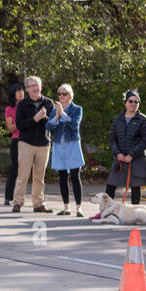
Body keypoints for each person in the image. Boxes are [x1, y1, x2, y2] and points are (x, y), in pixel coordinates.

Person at [12, 76, 54, 213]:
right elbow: (19, 124)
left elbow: (52, 124)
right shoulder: (23, 104)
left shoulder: (49, 103)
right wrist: (35, 119)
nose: (35, 88)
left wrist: (44, 117)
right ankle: (17, 202)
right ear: (27, 89)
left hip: (43, 143)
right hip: (26, 143)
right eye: (32, 86)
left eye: (37, 85)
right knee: (23, 175)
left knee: (39, 177)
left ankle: (38, 204)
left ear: (41, 86)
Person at [105, 89, 146, 207]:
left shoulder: (143, 119)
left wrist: (132, 154)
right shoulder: (118, 119)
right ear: (126, 102)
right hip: (120, 158)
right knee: (111, 185)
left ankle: (135, 214)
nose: (133, 104)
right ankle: (105, 211)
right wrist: (117, 153)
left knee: (136, 188)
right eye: (131, 101)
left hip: (137, 158)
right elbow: (112, 138)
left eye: (136, 102)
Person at [46, 84, 85, 216]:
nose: (61, 96)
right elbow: (48, 126)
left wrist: (63, 113)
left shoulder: (77, 109)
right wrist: (56, 116)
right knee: (62, 176)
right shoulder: (54, 109)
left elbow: (74, 125)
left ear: (70, 95)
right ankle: (66, 207)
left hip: (72, 145)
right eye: (59, 94)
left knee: (75, 176)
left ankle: (79, 208)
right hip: (59, 145)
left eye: (64, 94)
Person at [4, 84, 24, 206]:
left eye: (22, 91)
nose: (21, 93)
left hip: (29, 140)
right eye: (18, 91)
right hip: (16, 140)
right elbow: (10, 128)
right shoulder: (9, 109)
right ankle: (8, 196)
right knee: (14, 169)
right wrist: (20, 122)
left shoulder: (28, 105)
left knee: (29, 170)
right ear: (13, 94)